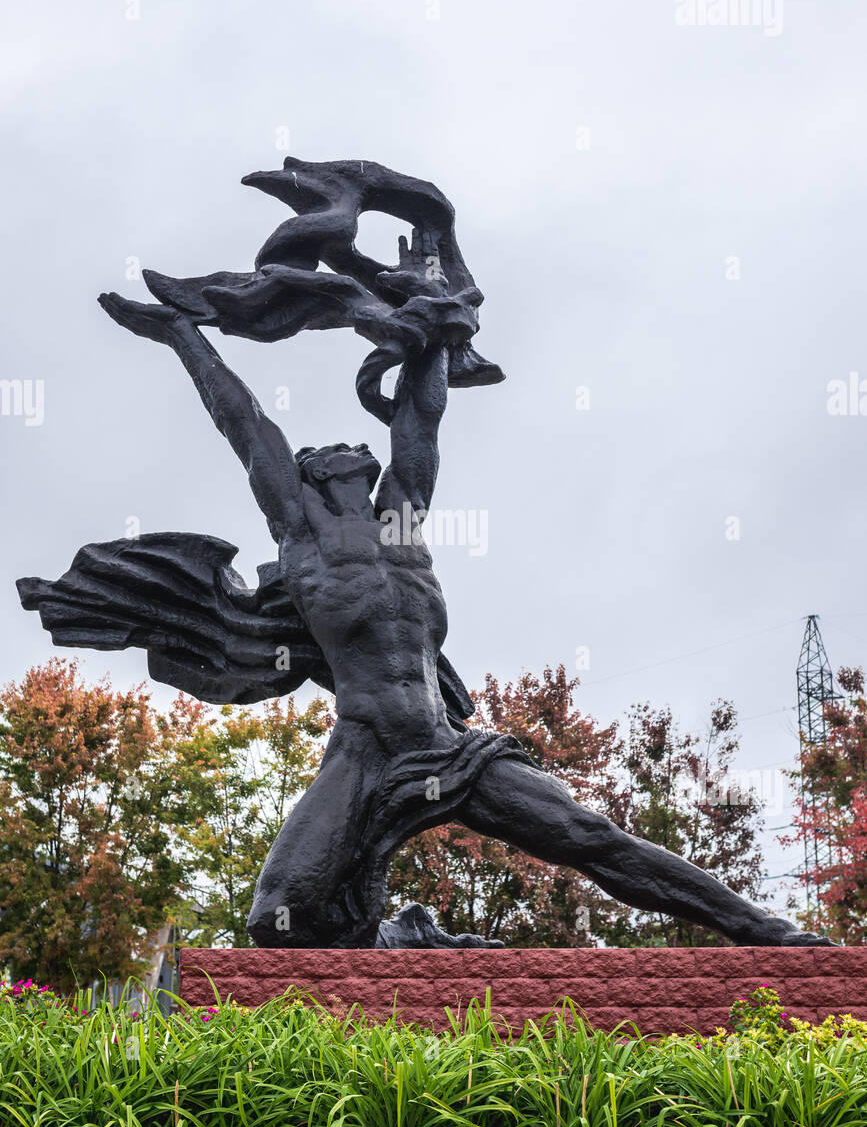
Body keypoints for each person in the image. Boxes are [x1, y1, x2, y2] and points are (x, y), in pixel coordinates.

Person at [95, 284, 830, 951]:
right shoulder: (303, 538)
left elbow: (421, 419)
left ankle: (765, 932)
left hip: (448, 748)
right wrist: (183, 336)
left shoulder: (402, 529)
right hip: (367, 749)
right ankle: (386, 940)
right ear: (314, 474)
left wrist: (436, 338)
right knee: (276, 920)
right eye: (336, 450)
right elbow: (246, 424)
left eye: (364, 448)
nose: (358, 449)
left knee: (589, 836)